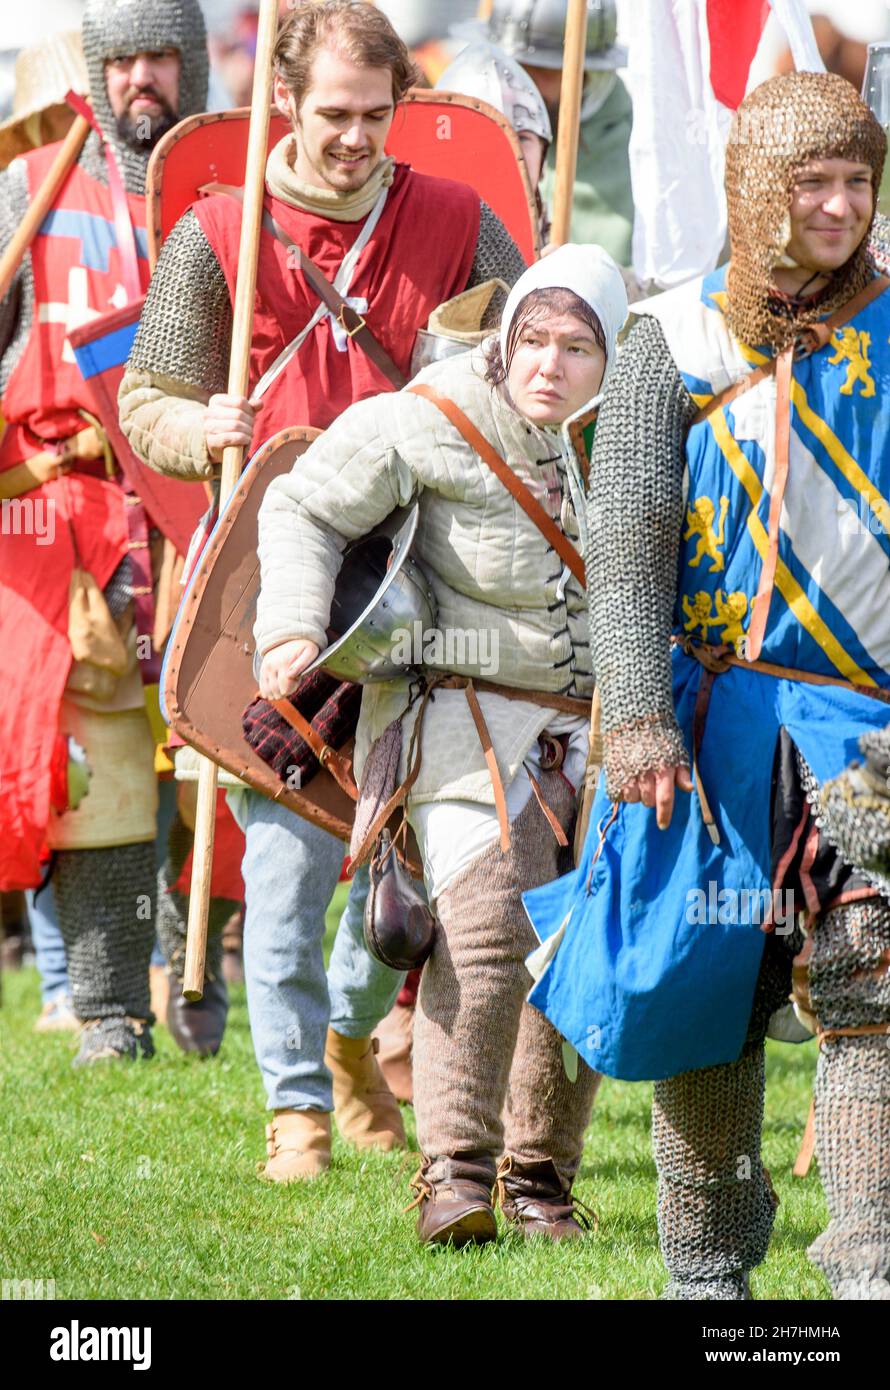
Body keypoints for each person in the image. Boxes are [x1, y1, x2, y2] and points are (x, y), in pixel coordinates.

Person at [120, 0, 529, 1180]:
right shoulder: (218, 229)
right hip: (273, 581)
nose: (355, 138)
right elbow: (142, 400)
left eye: (376, 114)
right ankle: (293, 1101)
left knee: (398, 875)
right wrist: (202, 421)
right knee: (290, 868)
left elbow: (535, 370)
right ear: (285, 108)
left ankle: (352, 1037)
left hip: (418, 582)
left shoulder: (455, 219)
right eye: (333, 115)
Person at [524, 72, 890, 1300]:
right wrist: (629, 715)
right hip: (708, 721)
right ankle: (705, 1267)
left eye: (856, 180)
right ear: (752, 191)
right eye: (812, 184)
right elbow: (625, 548)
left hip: (861, 728)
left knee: (868, 980)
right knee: (707, 990)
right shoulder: (669, 338)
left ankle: (867, 1265)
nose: (839, 207)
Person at [255, 243, 627, 1244]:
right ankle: (454, 1174)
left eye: (577, 346)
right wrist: (290, 626)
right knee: (490, 923)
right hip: (456, 713)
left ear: (608, 357)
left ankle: (539, 1178)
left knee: (581, 943)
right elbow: (301, 501)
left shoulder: (621, 439)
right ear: (505, 337)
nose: (549, 364)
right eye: (533, 340)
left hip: (585, 724)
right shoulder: (430, 416)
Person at [0, 0, 209, 1065]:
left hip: (203, 505)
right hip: (71, 518)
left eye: (160, 55)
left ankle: (204, 975)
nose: (140, 79)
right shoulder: (30, 189)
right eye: (121, 57)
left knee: (228, 744)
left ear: (194, 61)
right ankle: (107, 1008)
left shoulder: (226, 185)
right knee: (105, 766)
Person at [452, 0, 633, 264]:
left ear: (589, 75)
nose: (522, 84)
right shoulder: (482, 127)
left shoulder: (636, 148)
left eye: (540, 71)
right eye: (513, 68)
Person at [435, 40, 552, 242]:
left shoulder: (562, 260)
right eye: (488, 137)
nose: (511, 150)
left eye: (523, 138)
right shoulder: (424, 238)